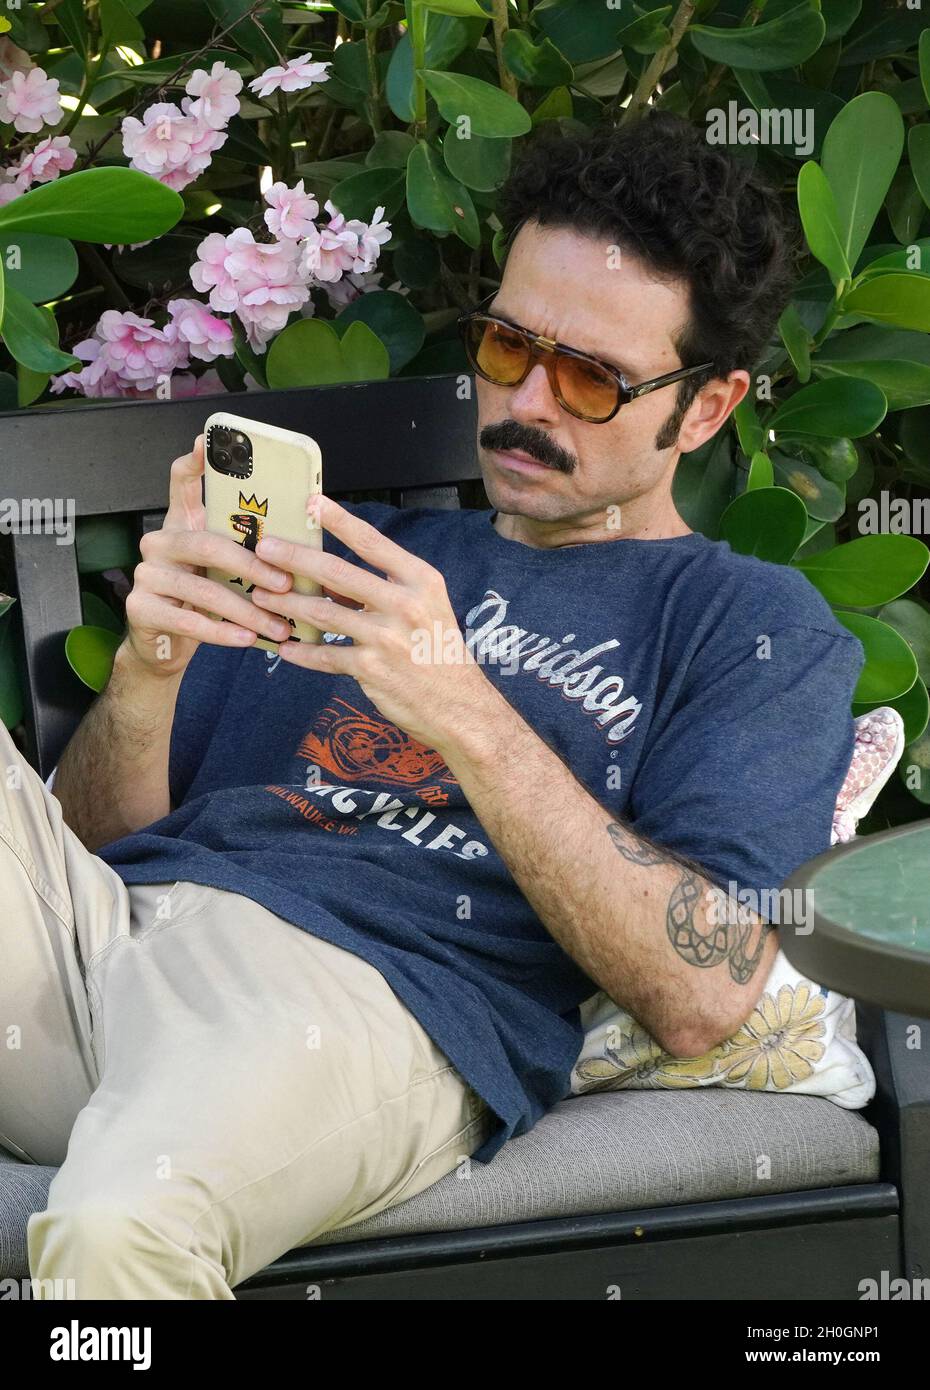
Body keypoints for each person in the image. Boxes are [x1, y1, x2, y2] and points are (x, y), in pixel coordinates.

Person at [7, 111, 862, 1299]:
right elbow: (100, 844)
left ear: (708, 409)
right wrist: (150, 667)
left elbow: (706, 989)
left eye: (594, 379)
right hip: (93, 951)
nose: (530, 404)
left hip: (357, 1002)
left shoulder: (742, 628)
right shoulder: (354, 547)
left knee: (114, 1235)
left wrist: (464, 707)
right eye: (511, 347)